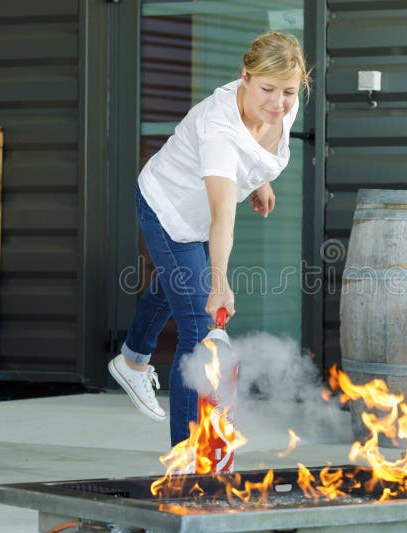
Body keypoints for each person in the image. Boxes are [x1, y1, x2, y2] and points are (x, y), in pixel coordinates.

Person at [108, 31, 311, 446]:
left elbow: (256, 154)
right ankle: (188, 463)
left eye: (289, 92)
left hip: (199, 214)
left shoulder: (280, 108)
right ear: (245, 78)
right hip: (170, 209)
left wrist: (261, 180)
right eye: (268, 90)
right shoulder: (219, 129)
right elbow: (222, 215)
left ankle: (131, 362)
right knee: (199, 326)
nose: (278, 102)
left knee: (174, 285)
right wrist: (220, 285)